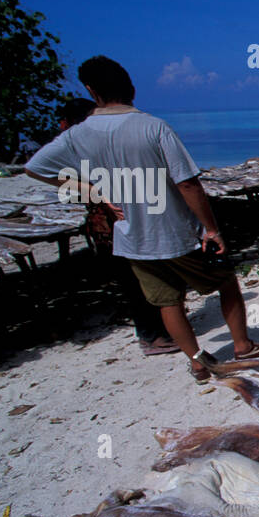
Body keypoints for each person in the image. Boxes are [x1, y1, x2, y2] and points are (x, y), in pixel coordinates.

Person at [25, 56, 259, 382]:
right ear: (130, 87)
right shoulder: (153, 127)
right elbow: (187, 184)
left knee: (167, 301)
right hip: (174, 230)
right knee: (226, 283)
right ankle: (242, 347)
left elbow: (35, 168)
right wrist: (211, 228)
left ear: (91, 91)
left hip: (132, 237)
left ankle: (198, 363)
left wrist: (94, 192)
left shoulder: (77, 135)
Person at [55, 97, 179, 356]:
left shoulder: (83, 145)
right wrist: (102, 196)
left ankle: (160, 330)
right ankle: (151, 335)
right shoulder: (76, 147)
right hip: (113, 226)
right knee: (135, 280)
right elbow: (63, 184)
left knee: (146, 276)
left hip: (122, 222)